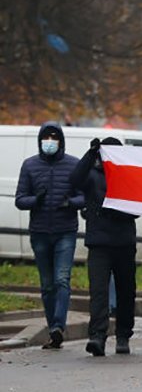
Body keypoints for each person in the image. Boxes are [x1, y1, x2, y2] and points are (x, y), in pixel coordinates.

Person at [15, 122, 83, 349]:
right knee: (47, 284)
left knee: (61, 279)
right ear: (40, 140)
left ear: (61, 141)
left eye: (55, 137)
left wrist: (70, 203)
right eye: (47, 137)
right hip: (40, 232)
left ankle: (57, 327)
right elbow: (20, 199)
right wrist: (36, 200)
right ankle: (53, 327)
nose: (50, 141)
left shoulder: (73, 165)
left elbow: (84, 196)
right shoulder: (30, 165)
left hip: (65, 231)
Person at [70, 137, 136, 356]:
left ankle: (123, 335)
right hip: (99, 242)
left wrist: (116, 211)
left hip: (124, 241)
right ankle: (97, 336)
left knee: (126, 290)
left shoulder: (128, 175)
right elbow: (74, 180)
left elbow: (137, 207)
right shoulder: (92, 173)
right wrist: (90, 154)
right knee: (98, 292)